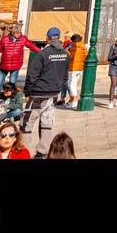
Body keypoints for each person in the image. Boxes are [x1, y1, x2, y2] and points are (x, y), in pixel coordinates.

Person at [20, 26, 70, 158]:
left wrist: (27, 92)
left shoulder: (43, 54)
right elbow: (65, 75)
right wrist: (58, 86)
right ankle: (42, 151)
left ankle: (25, 151)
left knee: (26, 122)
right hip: (53, 93)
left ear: (47, 38)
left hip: (38, 93)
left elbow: (32, 75)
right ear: (58, 37)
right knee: (46, 122)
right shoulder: (65, 54)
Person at [0, 22, 40, 93]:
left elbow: (32, 47)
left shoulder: (23, 39)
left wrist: (42, 52)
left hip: (16, 66)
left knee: (12, 85)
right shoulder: (5, 39)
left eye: (19, 32)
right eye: (17, 33)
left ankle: (10, 101)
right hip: (4, 66)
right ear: (12, 33)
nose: (18, 34)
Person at [62, 33, 86, 108]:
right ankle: (72, 101)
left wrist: (66, 50)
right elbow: (86, 55)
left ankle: (74, 100)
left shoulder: (74, 47)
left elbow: (69, 56)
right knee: (74, 84)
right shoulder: (83, 46)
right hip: (80, 68)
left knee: (71, 84)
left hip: (73, 67)